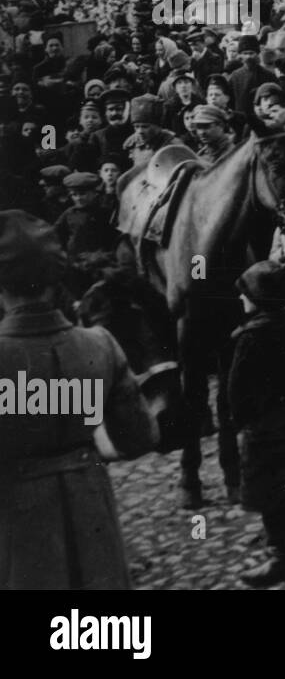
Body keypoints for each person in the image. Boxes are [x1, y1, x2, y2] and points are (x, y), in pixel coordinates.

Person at [0, 210, 157, 588]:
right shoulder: (100, 343)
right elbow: (138, 438)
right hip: (93, 512)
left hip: (16, 530)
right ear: (56, 278)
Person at [228, 261, 285, 587]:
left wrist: (241, 421)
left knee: (271, 496)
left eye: (244, 294)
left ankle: (281, 557)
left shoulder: (248, 338)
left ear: (256, 298)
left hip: (263, 428)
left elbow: (236, 390)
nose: (240, 299)